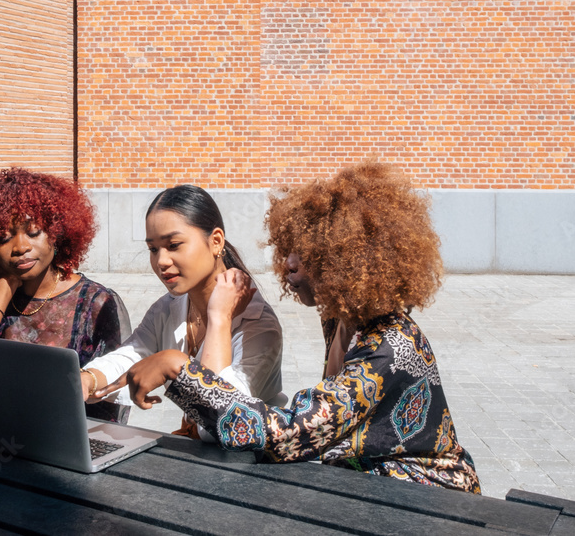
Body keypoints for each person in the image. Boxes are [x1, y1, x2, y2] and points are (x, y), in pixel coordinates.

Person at [111, 161, 482, 493]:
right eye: (288, 248)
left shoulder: (389, 346)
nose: (288, 264)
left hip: (428, 501)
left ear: (347, 263)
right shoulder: (338, 318)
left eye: (308, 255)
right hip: (367, 489)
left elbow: (286, 436)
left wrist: (178, 366)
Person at [0, 168, 131, 423]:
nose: (21, 247)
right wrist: (1, 293)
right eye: (3, 238)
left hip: (62, 436)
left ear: (57, 234)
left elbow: (106, 396)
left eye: (33, 233)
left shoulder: (95, 303)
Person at [81, 184, 285, 438]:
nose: (161, 261)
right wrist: (88, 379)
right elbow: (131, 354)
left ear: (216, 241)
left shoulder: (260, 326)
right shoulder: (167, 308)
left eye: (174, 245)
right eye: (153, 249)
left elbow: (217, 421)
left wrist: (219, 319)